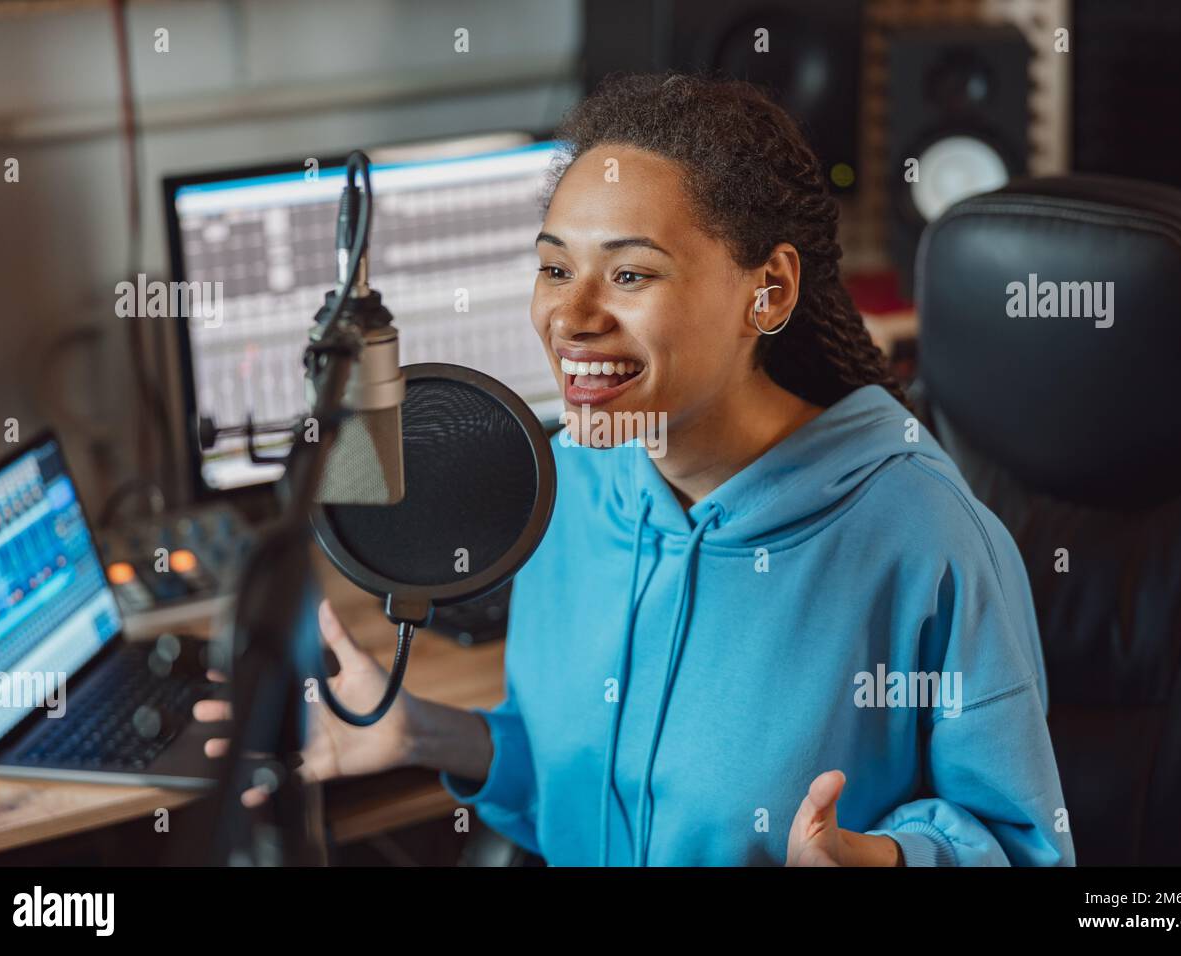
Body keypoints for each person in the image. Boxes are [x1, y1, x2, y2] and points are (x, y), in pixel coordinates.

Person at [197, 72, 1075, 867]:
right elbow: (591, 785)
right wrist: (425, 734)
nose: (571, 317)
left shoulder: (925, 538)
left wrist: (885, 863)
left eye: (629, 273)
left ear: (767, 291)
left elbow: (1023, 848)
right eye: (553, 267)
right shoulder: (566, 489)